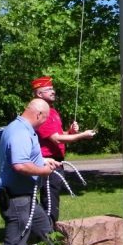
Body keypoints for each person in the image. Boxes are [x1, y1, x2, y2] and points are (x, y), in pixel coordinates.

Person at [0, 98, 62, 245]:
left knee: (46, 229)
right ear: (38, 114)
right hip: (16, 199)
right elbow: (20, 165)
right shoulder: (20, 132)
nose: (44, 123)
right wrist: (43, 172)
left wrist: (43, 160)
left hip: (24, 198)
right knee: (14, 244)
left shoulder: (18, 127)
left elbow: (22, 156)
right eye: (45, 119)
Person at [31, 75, 97, 225]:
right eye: (48, 89)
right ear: (39, 94)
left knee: (52, 198)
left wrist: (71, 132)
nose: (53, 91)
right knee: (49, 200)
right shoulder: (41, 113)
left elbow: (61, 135)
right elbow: (57, 139)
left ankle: (47, 232)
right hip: (47, 163)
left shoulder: (52, 111)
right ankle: (48, 236)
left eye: (52, 88)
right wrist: (82, 135)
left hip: (57, 162)